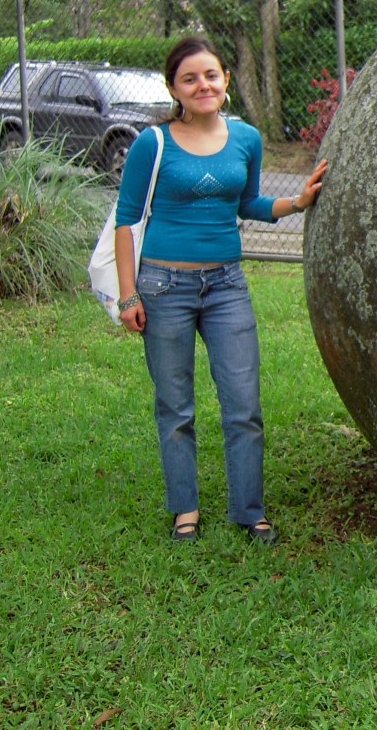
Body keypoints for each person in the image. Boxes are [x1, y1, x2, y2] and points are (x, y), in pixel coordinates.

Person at [113, 35, 328, 544]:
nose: (202, 84)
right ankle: (185, 510)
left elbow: (248, 202)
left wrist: (295, 203)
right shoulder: (153, 142)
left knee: (243, 405)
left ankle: (249, 511)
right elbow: (126, 221)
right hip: (164, 287)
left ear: (226, 80)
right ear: (174, 88)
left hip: (227, 285)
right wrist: (128, 296)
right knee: (175, 406)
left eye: (210, 75)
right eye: (189, 78)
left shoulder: (247, 138)